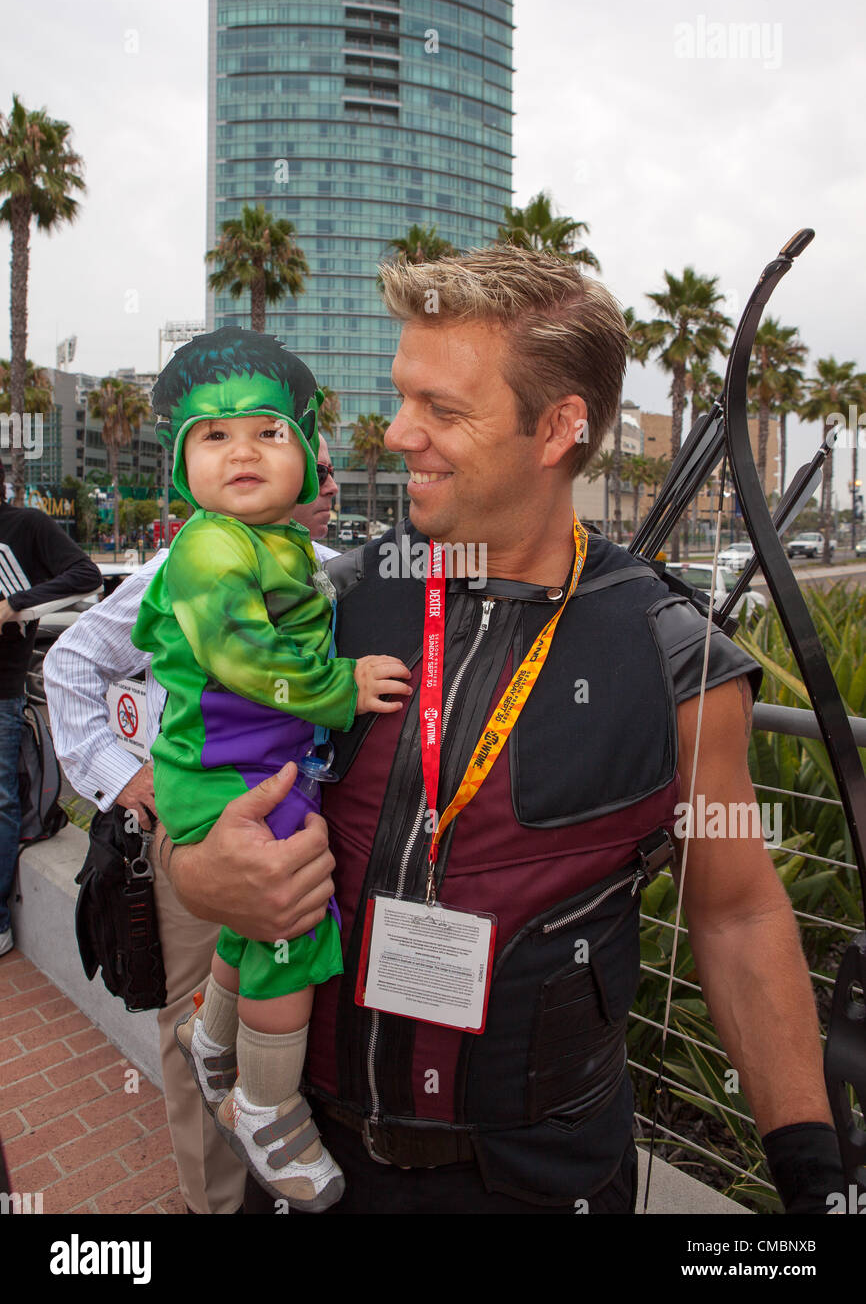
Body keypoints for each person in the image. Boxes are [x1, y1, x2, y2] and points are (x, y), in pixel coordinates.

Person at [53, 246, 843, 1215]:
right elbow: (203, 780)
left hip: (539, 1181)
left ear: (557, 428)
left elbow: (734, 911)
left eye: (442, 409)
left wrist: (807, 1164)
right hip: (307, 1164)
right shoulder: (322, 604)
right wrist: (197, 873)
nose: (394, 434)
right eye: (399, 397)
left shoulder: (670, 655)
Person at [43, 431, 343, 1216]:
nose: (330, 485)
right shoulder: (193, 563)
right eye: (319, 467)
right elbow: (71, 662)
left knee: (244, 1013)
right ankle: (212, 1203)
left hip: (269, 825)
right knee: (197, 1043)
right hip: (198, 834)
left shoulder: (304, 564)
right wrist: (126, 777)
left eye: (323, 463)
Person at [0, 460, 102, 957]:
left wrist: (16, 604)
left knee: (1, 801)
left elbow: (87, 573)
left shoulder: (26, 526)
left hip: (2, 689)